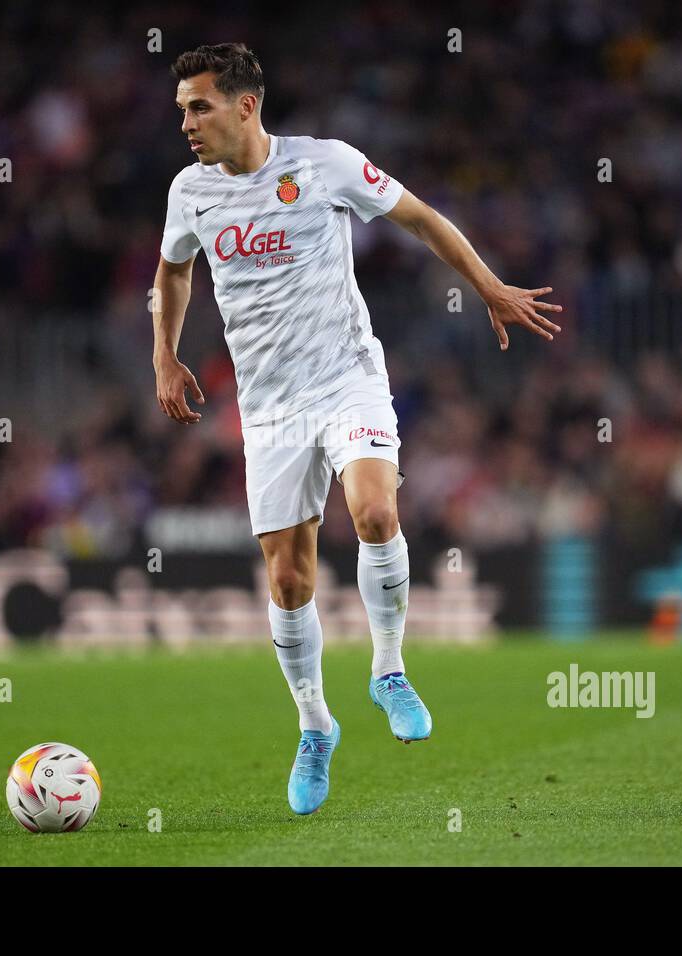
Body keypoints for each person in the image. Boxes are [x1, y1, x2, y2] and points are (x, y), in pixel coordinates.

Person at [152, 43, 562, 814]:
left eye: (199, 106)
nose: (187, 123)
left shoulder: (325, 164)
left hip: (347, 377)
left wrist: (490, 287)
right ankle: (316, 726)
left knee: (376, 511)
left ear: (246, 105)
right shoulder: (189, 192)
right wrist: (164, 358)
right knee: (288, 578)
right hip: (268, 406)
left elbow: (420, 217)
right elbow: (174, 270)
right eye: (181, 109)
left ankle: (389, 669)